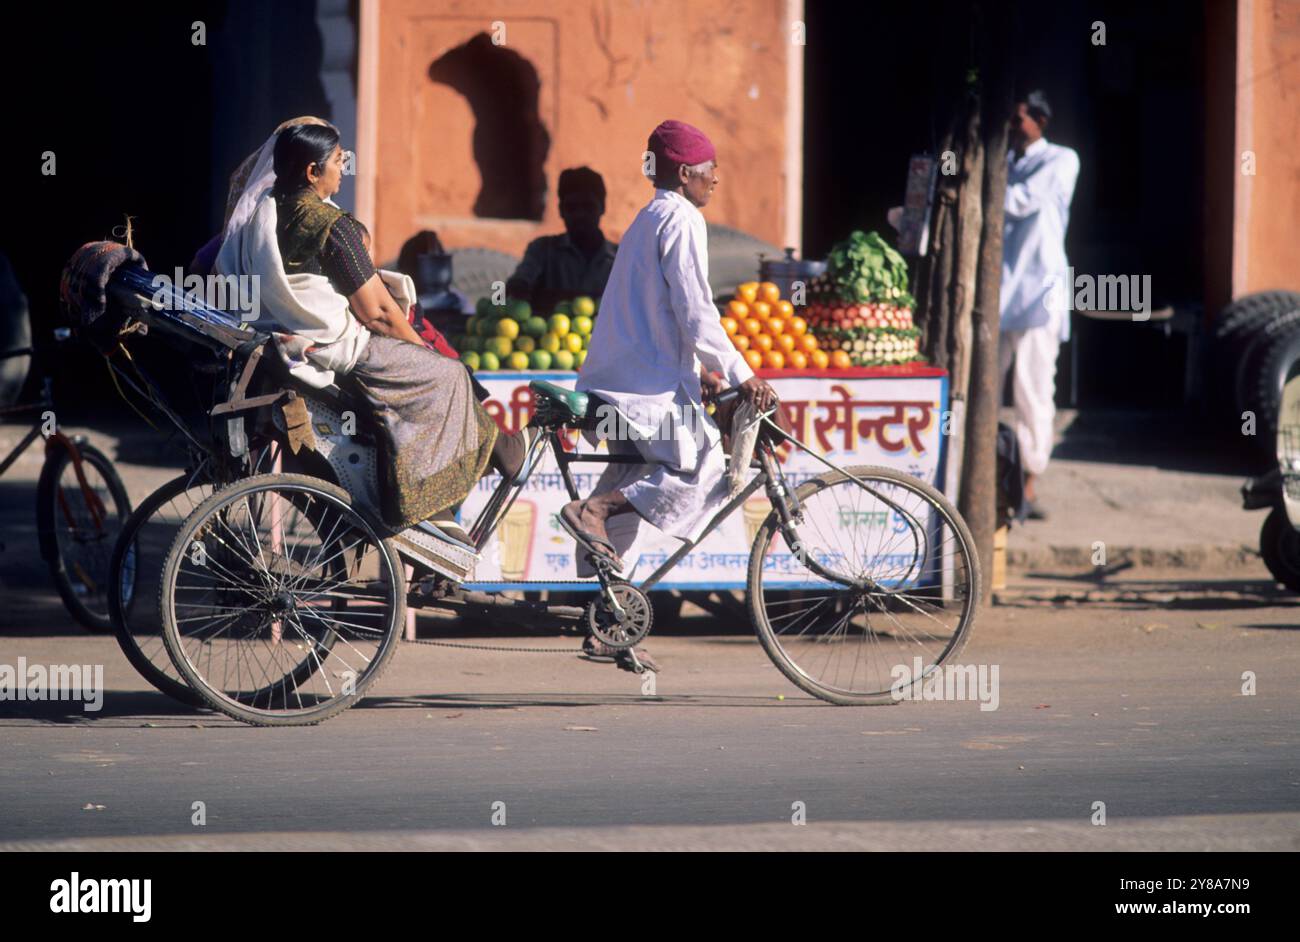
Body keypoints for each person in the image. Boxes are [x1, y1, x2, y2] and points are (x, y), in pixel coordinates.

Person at [216, 121, 536, 542]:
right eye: (338, 161)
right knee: (449, 376)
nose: (343, 168)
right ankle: (431, 503)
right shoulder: (333, 226)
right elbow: (379, 313)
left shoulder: (267, 213)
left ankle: (486, 463)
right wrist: (424, 350)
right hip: (342, 347)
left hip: (293, 342)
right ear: (313, 173)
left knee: (435, 377)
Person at [561, 119, 776, 575]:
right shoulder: (681, 218)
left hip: (618, 388)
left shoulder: (647, 219)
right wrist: (743, 373)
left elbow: (659, 313)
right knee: (702, 469)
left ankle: (608, 612)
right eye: (709, 168)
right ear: (684, 173)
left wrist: (698, 368)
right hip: (642, 395)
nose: (715, 177)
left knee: (634, 484)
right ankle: (592, 511)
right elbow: (695, 309)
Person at [999, 90, 1079, 520]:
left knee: (1032, 392)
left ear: (1039, 121)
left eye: (1019, 118)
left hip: (1038, 295)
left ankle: (1030, 484)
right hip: (1002, 293)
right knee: (986, 388)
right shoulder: (1005, 161)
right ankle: (991, 477)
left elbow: (1019, 202)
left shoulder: (1061, 160)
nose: (1012, 126)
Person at [505, 167, 618, 311]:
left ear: (602, 207)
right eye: (571, 208)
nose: (580, 215)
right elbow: (513, 287)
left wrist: (553, 298)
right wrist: (515, 290)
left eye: (588, 207)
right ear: (560, 210)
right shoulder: (542, 250)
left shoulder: (621, 257)